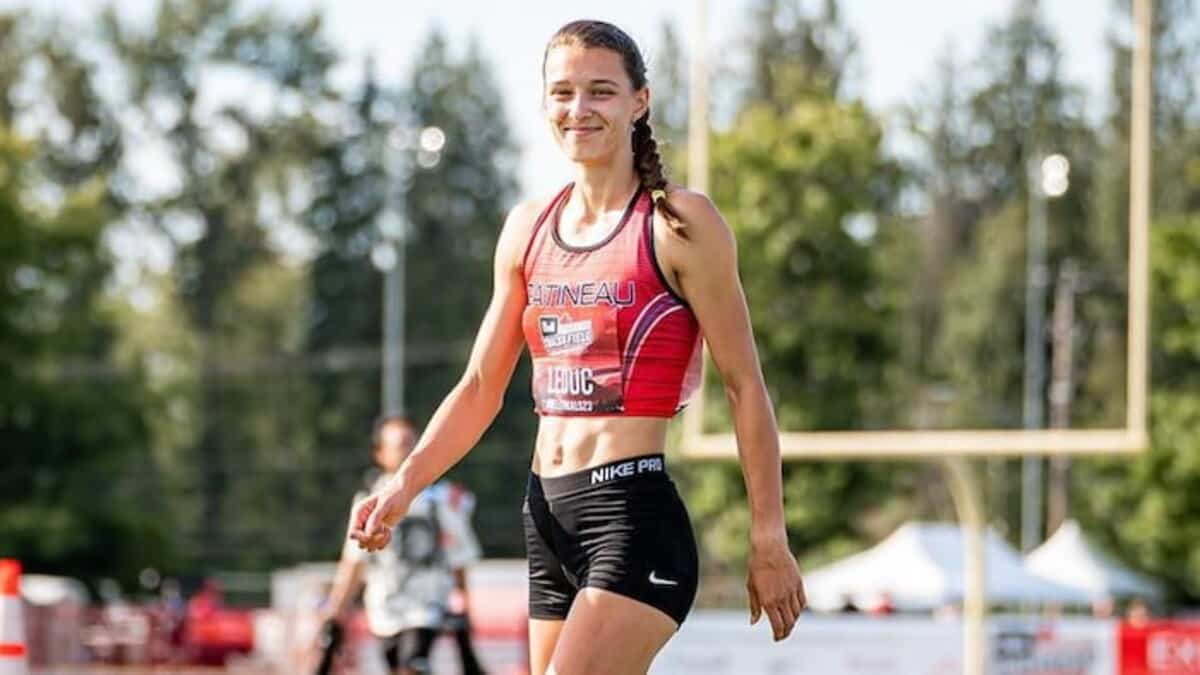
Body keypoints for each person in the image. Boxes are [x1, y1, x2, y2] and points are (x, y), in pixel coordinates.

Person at [350, 19, 806, 675]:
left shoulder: (679, 222)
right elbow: (479, 387)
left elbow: (744, 385)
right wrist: (404, 485)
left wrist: (769, 534)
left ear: (639, 101)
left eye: (601, 91)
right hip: (545, 516)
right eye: (563, 92)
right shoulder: (527, 227)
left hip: (631, 518)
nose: (579, 108)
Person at [323, 415, 484, 675]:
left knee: (413, 664)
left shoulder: (440, 500)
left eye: (412, 443)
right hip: (384, 607)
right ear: (380, 454)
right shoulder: (369, 501)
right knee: (399, 665)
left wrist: (464, 603)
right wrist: (335, 609)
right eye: (399, 445)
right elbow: (354, 562)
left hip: (426, 604)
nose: (407, 451)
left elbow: (458, 557)